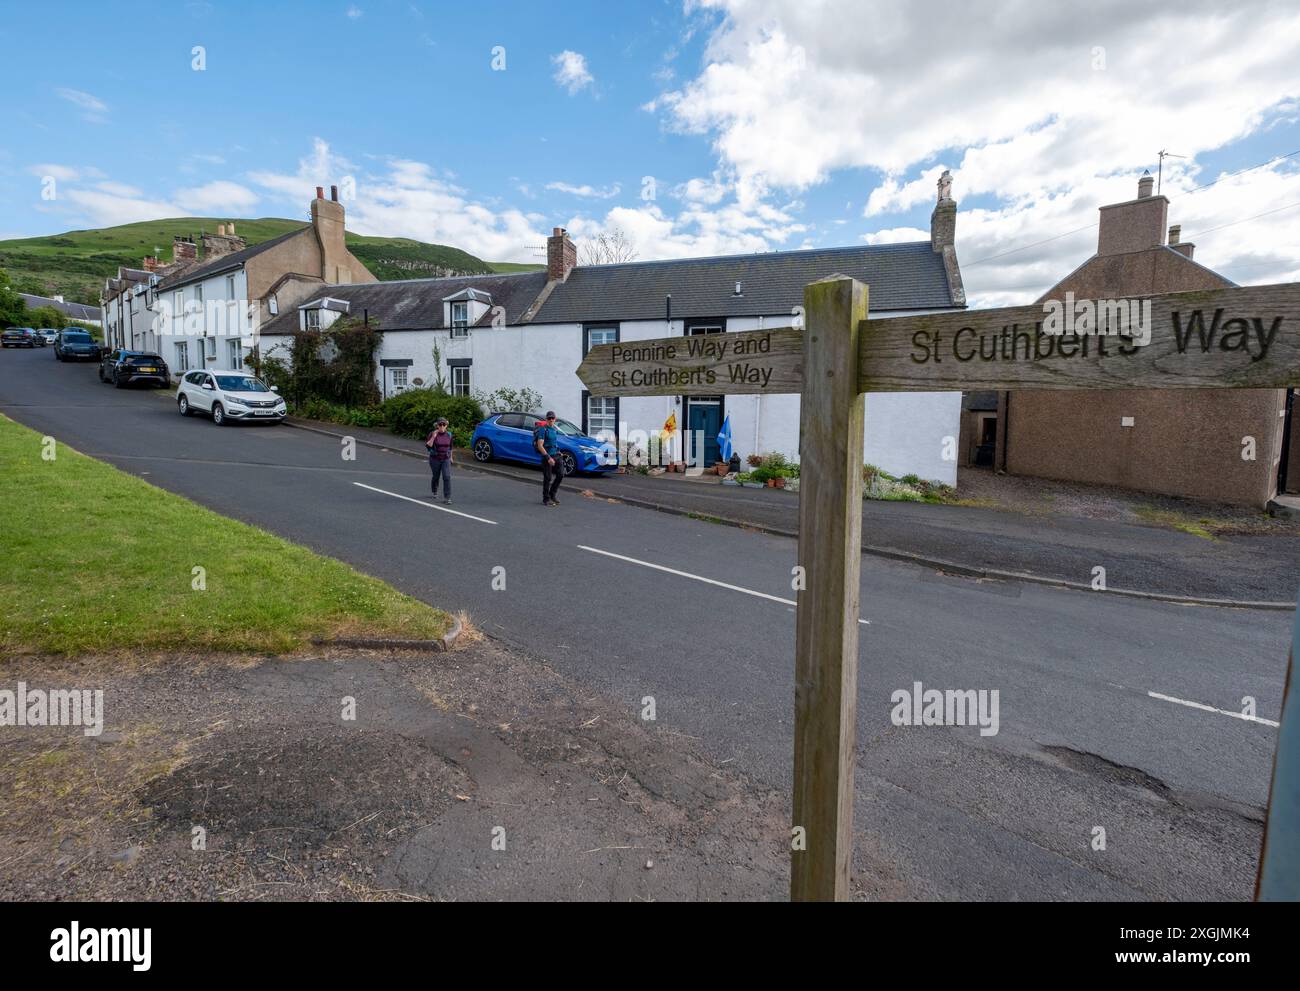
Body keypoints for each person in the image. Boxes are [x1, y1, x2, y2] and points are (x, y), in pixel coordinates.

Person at [534, 410, 564, 506]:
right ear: (546, 419)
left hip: (556, 455)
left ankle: (552, 494)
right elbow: (540, 445)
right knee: (548, 478)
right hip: (547, 456)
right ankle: (546, 499)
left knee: (561, 474)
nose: (551, 420)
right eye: (549, 418)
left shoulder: (554, 430)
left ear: (555, 419)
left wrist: (558, 451)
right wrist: (548, 458)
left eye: (552, 418)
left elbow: (554, 442)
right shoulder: (543, 429)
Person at [425, 417, 453, 503]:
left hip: (446, 458)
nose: (442, 426)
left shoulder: (449, 434)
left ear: (446, 426)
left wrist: (451, 457)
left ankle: (447, 498)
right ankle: (434, 490)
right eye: (440, 425)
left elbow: (450, 447)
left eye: (444, 424)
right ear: (437, 426)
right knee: (436, 476)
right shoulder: (432, 434)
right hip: (435, 459)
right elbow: (428, 446)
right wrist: (433, 437)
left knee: (447, 477)